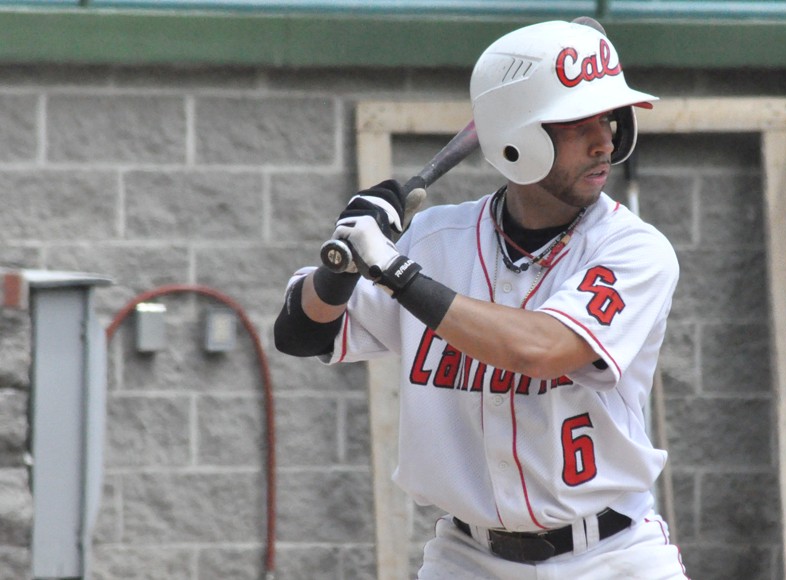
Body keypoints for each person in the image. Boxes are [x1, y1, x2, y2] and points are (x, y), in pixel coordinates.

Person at [274, 19, 686, 580]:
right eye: (576, 124)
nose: (604, 141)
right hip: (467, 558)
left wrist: (393, 269)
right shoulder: (438, 240)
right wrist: (344, 261)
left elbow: (539, 348)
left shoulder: (634, 249)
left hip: (611, 557)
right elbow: (302, 332)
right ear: (516, 138)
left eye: (608, 118)